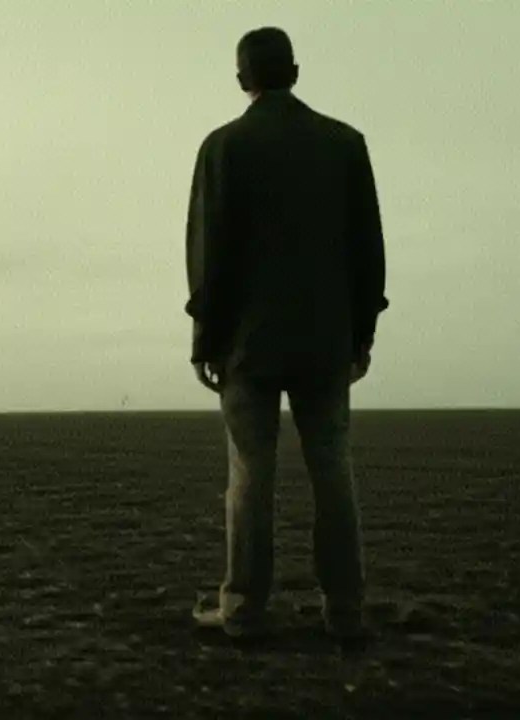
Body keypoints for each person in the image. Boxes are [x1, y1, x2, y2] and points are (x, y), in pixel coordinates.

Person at [185, 27, 389, 645]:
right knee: (333, 471)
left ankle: (244, 610)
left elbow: (208, 254)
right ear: (295, 71)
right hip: (326, 339)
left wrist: (205, 337)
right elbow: (367, 249)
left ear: (242, 79)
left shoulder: (223, 148)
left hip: (248, 345)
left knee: (250, 476)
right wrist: (361, 332)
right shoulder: (344, 144)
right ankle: (346, 611)